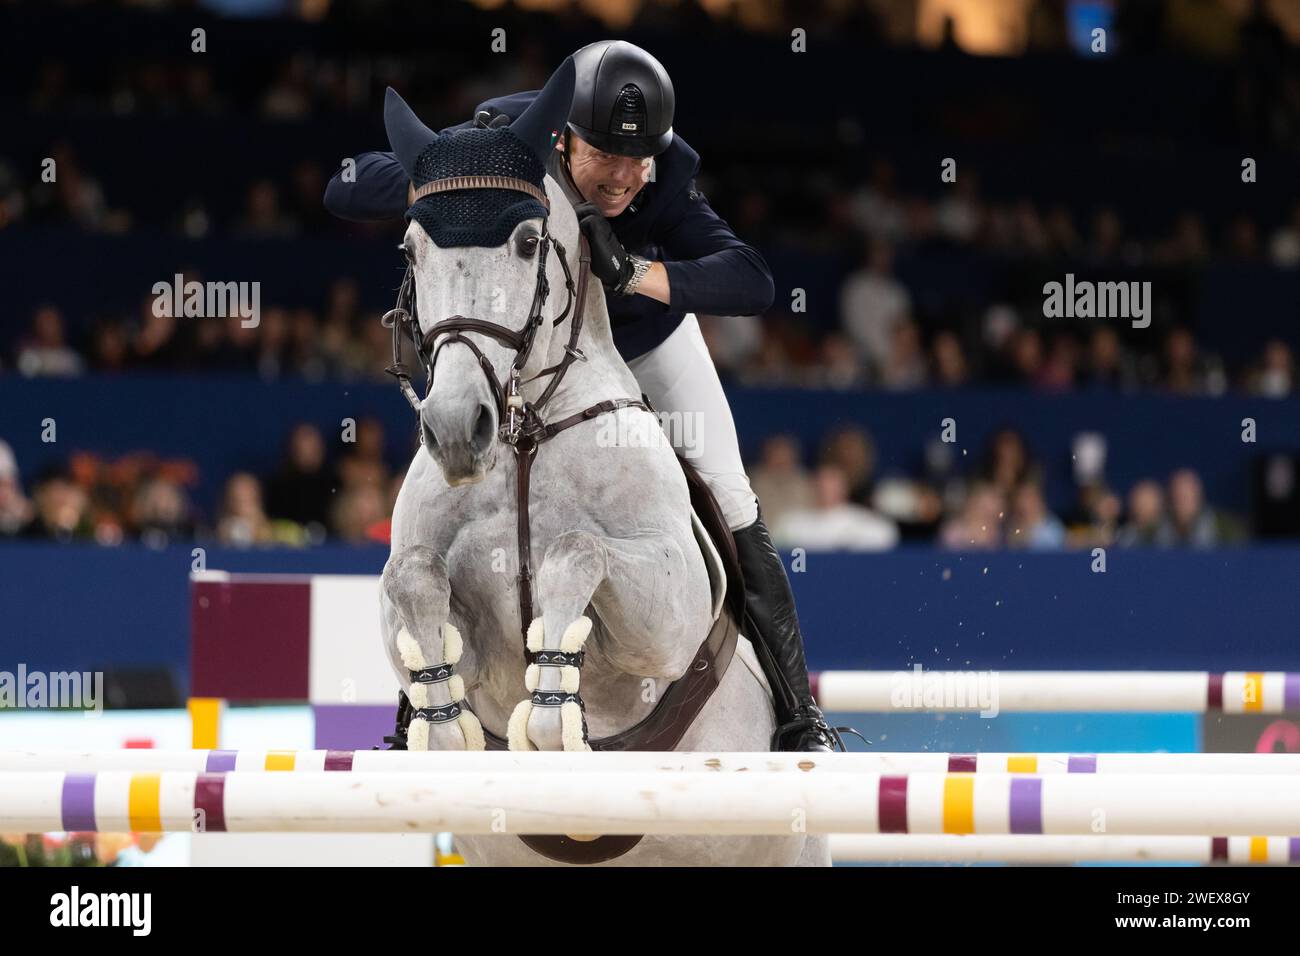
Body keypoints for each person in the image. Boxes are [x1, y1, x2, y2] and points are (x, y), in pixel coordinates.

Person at [324, 40, 838, 750]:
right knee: (449, 481)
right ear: (563, 139)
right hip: (527, 358)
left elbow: (752, 280)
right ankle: (421, 702)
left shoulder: (664, 181)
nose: (626, 178)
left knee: (730, 490)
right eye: (606, 158)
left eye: (640, 159)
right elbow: (345, 186)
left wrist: (634, 274)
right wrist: (457, 180)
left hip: (643, 347)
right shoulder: (510, 139)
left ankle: (797, 717)